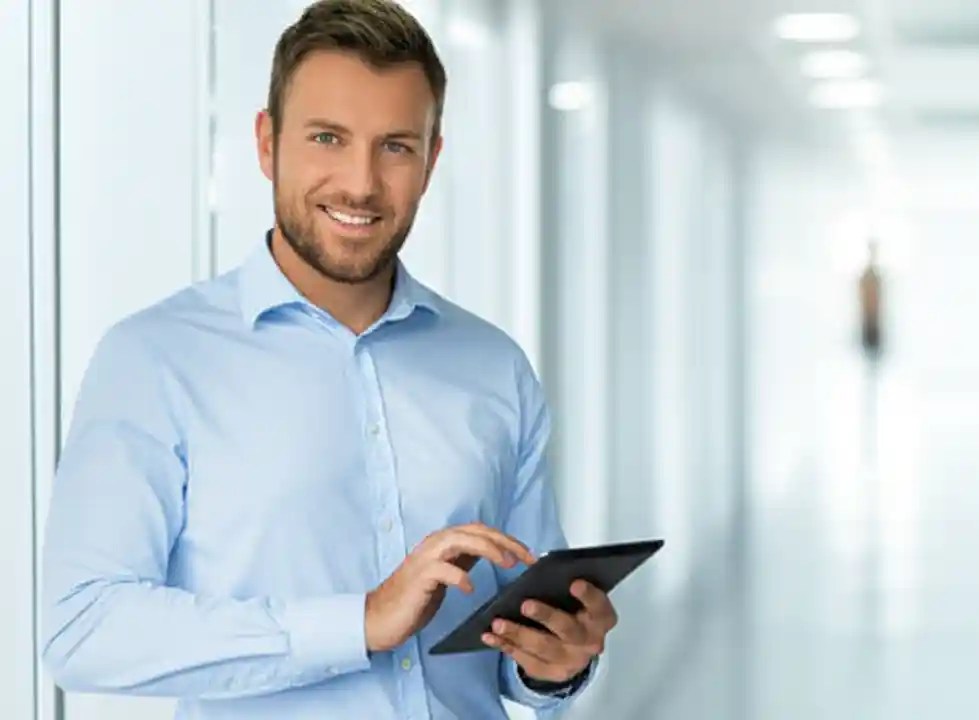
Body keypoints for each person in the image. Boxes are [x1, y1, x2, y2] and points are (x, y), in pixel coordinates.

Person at [39, 1, 612, 717]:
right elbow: (83, 629)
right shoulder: (155, 360)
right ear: (266, 143)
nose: (361, 184)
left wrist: (553, 665)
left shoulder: (493, 367)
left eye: (395, 146)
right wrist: (359, 621)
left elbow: (514, 642)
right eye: (328, 138)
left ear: (431, 160)